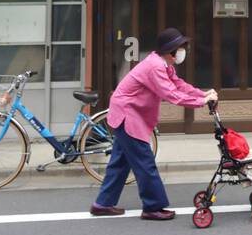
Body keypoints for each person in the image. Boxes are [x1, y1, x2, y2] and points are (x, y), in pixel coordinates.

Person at [90, 27, 216, 221]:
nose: (184, 51)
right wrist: (201, 102)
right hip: (128, 115)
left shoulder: (163, 64)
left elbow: (179, 85)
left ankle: (102, 204)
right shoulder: (155, 67)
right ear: (170, 50)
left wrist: (202, 94)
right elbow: (171, 94)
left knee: (120, 162)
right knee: (144, 162)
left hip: (128, 113)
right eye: (181, 47)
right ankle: (152, 207)